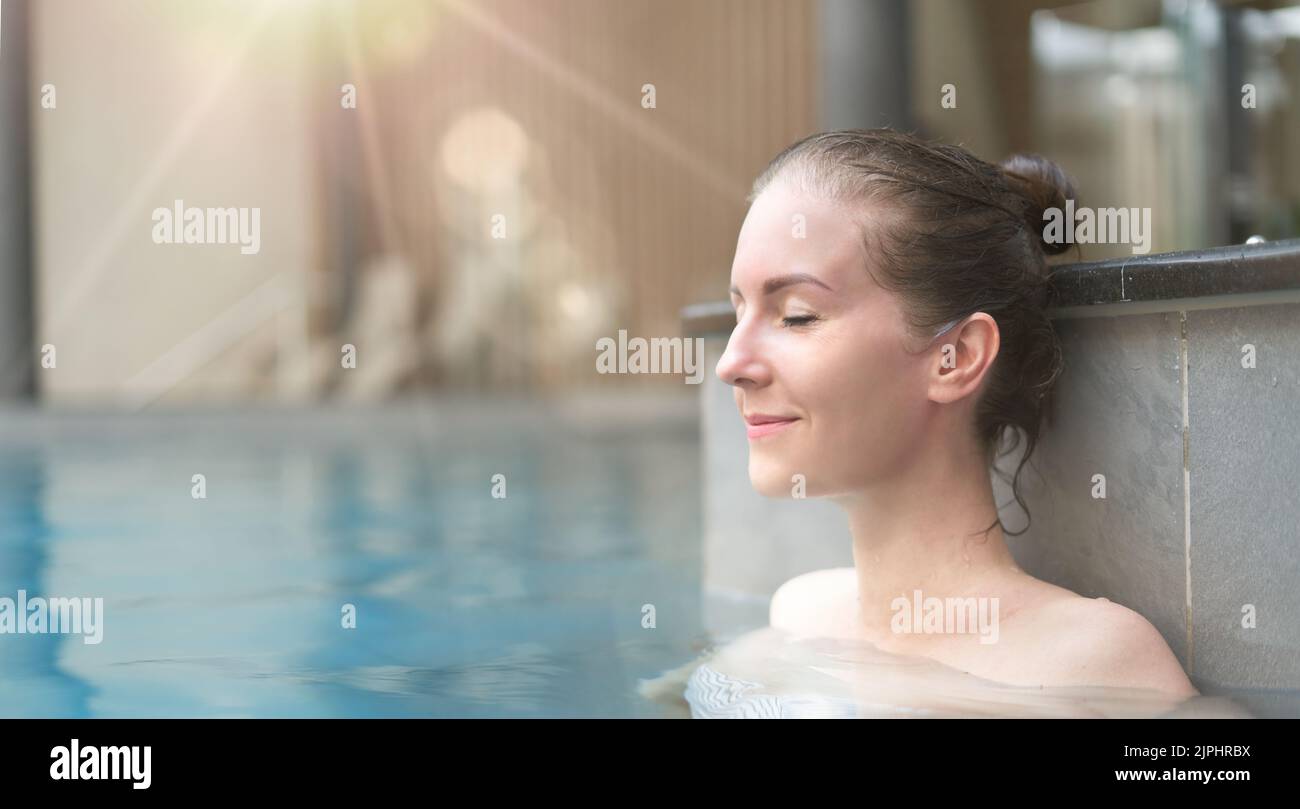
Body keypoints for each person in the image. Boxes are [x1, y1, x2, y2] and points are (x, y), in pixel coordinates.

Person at [713, 128, 1197, 698]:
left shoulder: (1093, 668)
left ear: (957, 357)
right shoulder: (797, 619)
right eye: (738, 312)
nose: (731, 363)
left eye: (796, 316)